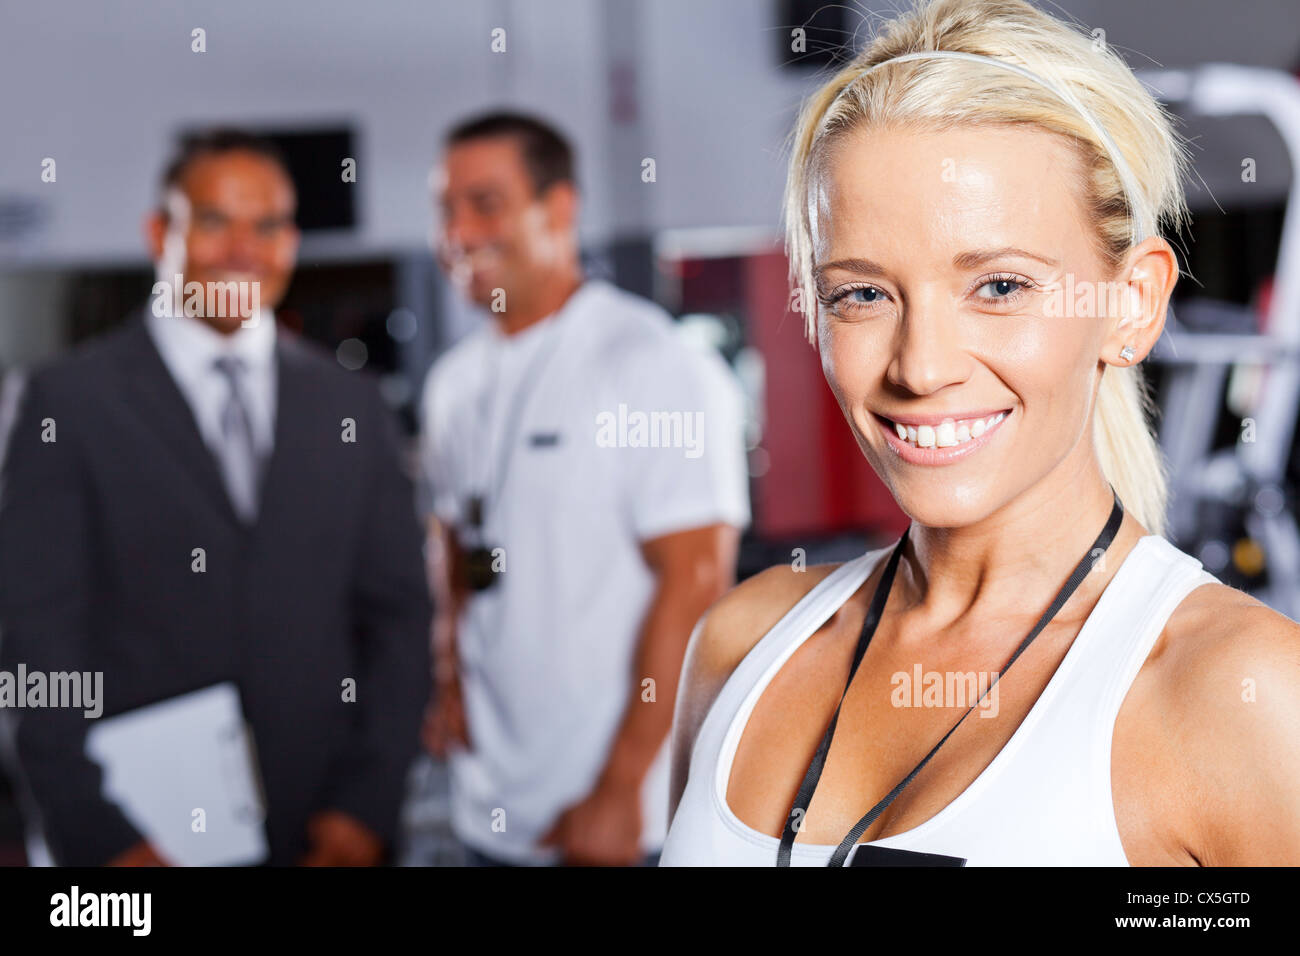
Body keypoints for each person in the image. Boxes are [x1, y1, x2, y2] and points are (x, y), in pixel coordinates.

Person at [663, 0, 1300, 866]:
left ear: (1132, 304)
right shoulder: (739, 644)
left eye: (999, 287)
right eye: (863, 293)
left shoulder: (1238, 697)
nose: (921, 368)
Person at [0, 129, 432, 866]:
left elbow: (398, 623)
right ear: (158, 232)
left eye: (268, 225)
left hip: (325, 832)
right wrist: (99, 833)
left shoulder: (350, 406)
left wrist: (366, 807)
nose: (244, 249)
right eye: (213, 221)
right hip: (138, 834)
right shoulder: (67, 402)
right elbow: (34, 640)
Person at [420, 112, 751, 866]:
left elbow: (695, 582)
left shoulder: (648, 362)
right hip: (483, 805)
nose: (460, 232)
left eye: (486, 203)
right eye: (446, 208)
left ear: (558, 207)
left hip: (612, 818)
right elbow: (449, 538)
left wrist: (621, 786)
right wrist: (447, 677)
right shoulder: (452, 384)